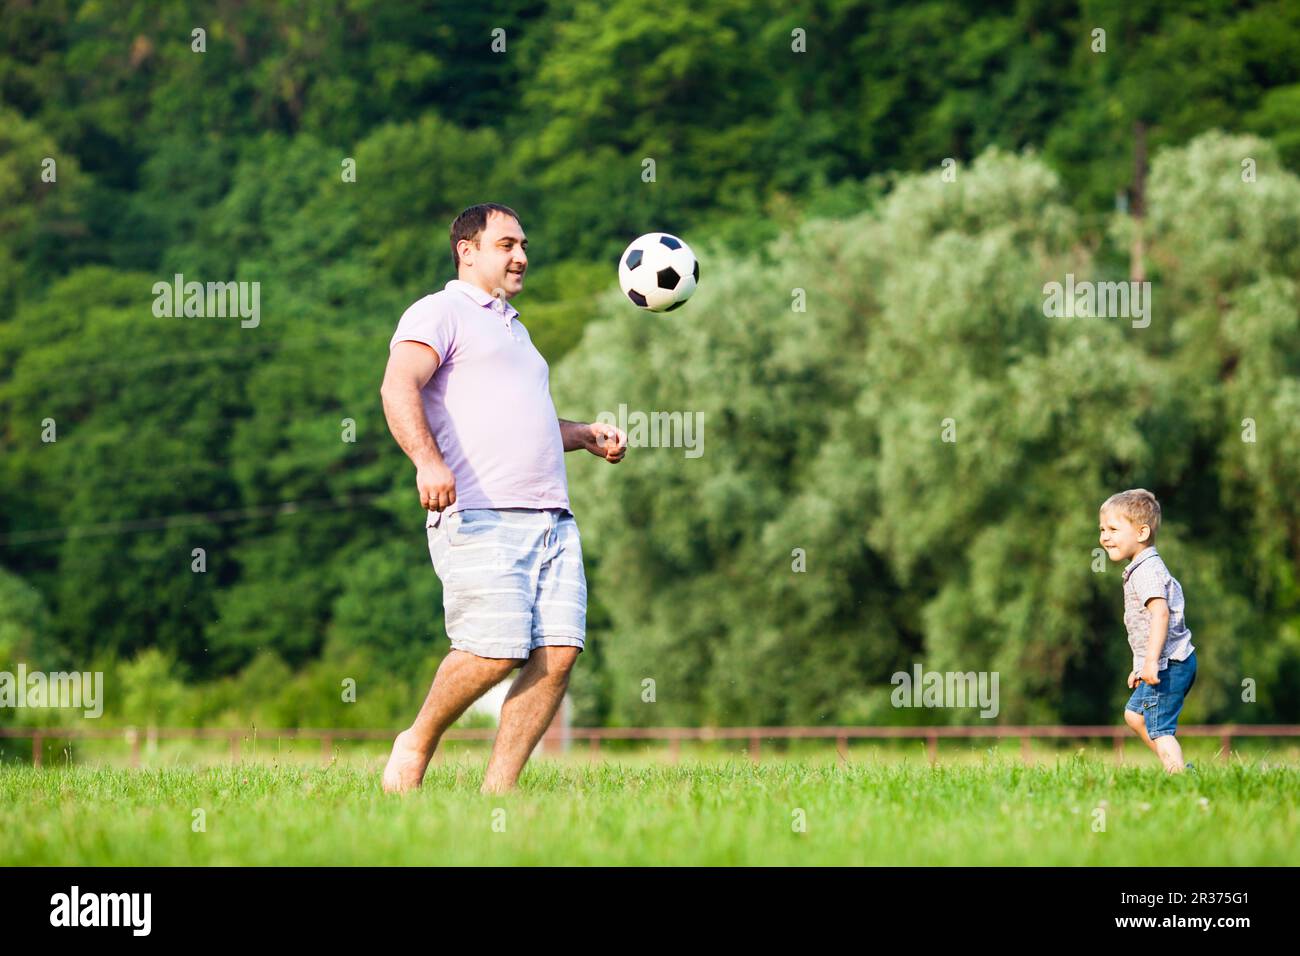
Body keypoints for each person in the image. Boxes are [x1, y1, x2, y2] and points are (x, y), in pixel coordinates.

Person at [379, 203, 627, 794]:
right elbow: (397, 385)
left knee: (559, 653)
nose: (521, 256)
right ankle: (415, 742)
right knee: (494, 651)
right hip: (478, 512)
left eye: (523, 245)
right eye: (507, 244)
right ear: (467, 249)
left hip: (552, 518)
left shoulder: (516, 329)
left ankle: (499, 792)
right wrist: (427, 461)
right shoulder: (440, 311)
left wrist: (585, 436)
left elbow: (530, 424)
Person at [1099, 489, 1197, 773]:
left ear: (1142, 533)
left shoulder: (1147, 571)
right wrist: (1141, 665)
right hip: (1165, 662)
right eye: (1102, 529)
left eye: (1113, 529)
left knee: (1160, 728)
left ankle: (1179, 775)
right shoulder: (1139, 568)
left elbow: (1160, 614)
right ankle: (1178, 767)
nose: (1104, 537)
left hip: (1169, 664)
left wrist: (1152, 662)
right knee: (1134, 715)